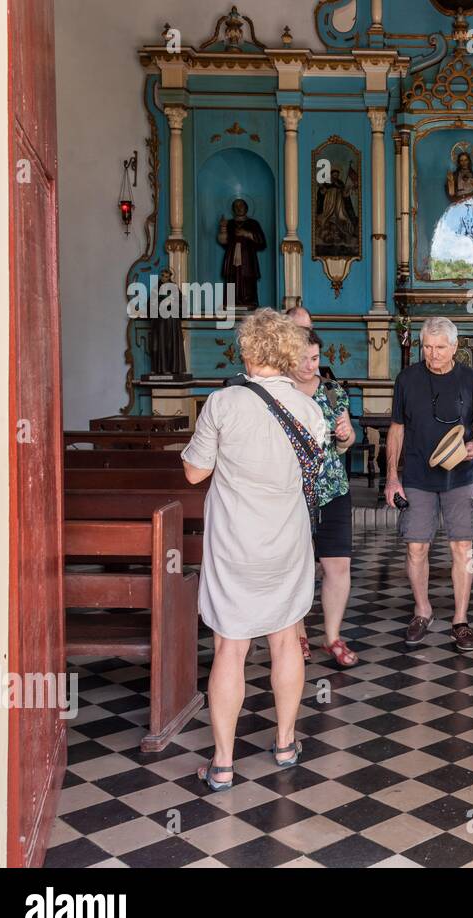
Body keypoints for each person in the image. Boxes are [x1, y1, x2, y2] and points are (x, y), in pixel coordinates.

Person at [180, 309, 327, 791]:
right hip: (286, 541)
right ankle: (285, 742)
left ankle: (222, 763)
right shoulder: (309, 410)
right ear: (288, 352)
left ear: (245, 350)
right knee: (286, 641)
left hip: (234, 545)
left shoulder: (222, 404)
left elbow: (194, 473)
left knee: (231, 646)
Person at [383, 316, 473, 652]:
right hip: (417, 476)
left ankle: (460, 620)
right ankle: (422, 610)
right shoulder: (407, 379)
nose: (433, 355)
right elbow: (396, 429)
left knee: (462, 548)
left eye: (440, 348)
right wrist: (392, 478)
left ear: (455, 347)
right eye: (427, 347)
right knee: (416, 547)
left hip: (460, 478)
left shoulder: (470, 379)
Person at [292, 328, 358, 668]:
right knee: (298, 568)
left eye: (315, 358)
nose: (309, 366)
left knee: (338, 564)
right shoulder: (279, 392)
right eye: (303, 358)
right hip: (291, 494)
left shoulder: (332, 392)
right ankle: (298, 635)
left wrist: (346, 436)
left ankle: (331, 635)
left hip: (332, 488)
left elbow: (346, 441)